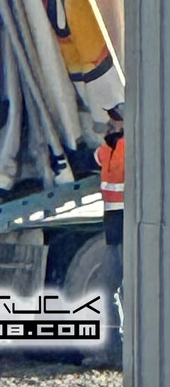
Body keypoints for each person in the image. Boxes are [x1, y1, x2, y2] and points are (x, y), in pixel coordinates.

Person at [93, 104, 124, 364]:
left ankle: (122, 353)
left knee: (121, 290)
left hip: (128, 227)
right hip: (114, 228)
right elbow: (96, 158)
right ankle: (114, 352)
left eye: (115, 119)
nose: (110, 122)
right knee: (106, 289)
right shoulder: (110, 148)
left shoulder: (127, 147)